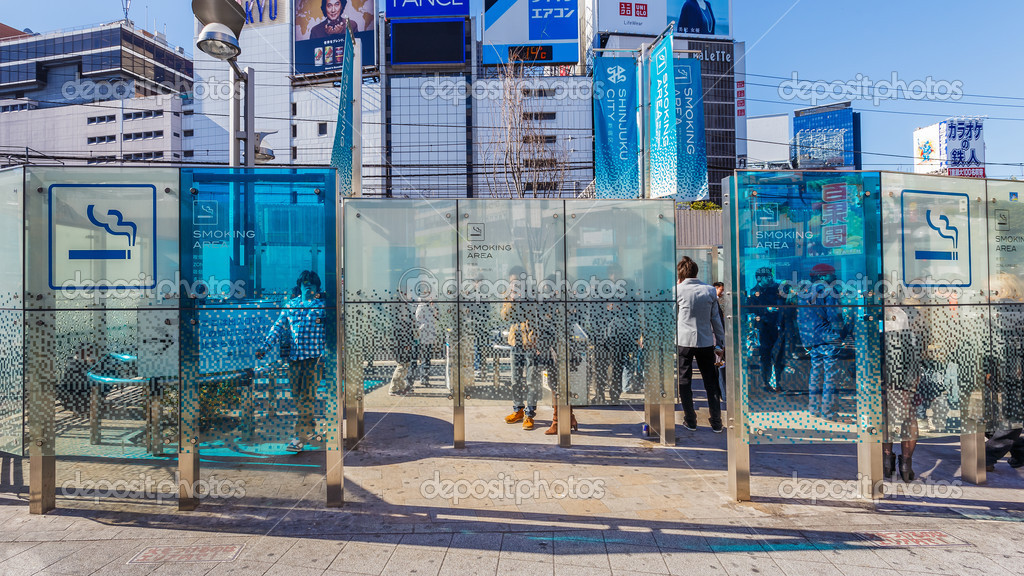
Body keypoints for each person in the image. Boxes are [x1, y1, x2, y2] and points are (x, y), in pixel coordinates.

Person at [257, 270, 326, 453]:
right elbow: (277, 327)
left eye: (311, 282)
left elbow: (332, 331)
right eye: (305, 282)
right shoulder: (291, 305)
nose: (308, 285)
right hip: (295, 359)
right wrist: (264, 347)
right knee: (296, 396)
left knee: (306, 397)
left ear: (317, 286)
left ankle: (299, 436)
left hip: (315, 360)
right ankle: (309, 428)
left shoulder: (323, 306)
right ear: (300, 285)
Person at [675, 257, 725, 432]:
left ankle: (690, 420)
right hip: (705, 341)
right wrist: (721, 341)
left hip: (683, 341)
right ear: (696, 272)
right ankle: (717, 422)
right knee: (710, 382)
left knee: (684, 381)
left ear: (680, 274)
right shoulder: (710, 290)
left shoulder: (677, 290)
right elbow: (715, 319)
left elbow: (673, 318)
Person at [796, 263, 846, 422]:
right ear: (823, 276)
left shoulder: (804, 291)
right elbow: (835, 317)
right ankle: (829, 413)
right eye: (832, 274)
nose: (835, 277)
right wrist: (839, 335)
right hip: (828, 337)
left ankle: (814, 409)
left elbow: (801, 318)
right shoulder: (830, 291)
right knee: (831, 375)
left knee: (816, 373)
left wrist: (805, 339)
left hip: (811, 338)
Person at [882, 303, 921, 481]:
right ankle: (906, 465)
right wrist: (912, 386)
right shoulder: (903, 319)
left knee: (884, 419)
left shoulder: (874, 315)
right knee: (909, 419)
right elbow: (914, 359)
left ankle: (886, 462)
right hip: (904, 378)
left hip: (882, 379)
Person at [502, 266, 542, 429]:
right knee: (515, 380)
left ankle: (529, 413)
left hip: (531, 342)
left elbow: (539, 315)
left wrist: (525, 299)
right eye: (512, 281)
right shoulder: (508, 294)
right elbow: (504, 316)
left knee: (531, 381)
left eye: (517, 281)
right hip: (515, 342)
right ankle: (517, 408)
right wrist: (512, 301)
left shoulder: (533, 294)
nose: (515, 284)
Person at [592, 264, 635, 404]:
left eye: (616, 272)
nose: (614, 275)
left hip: (620, 334)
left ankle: (615, 394)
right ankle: (600, 394)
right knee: (600, 367)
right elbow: (594, 310)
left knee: (617, 366)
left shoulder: (628, 288)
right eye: (611, 273)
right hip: (602, 334)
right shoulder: (602, 288)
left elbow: (633, 308)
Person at [747, 267, 785, 391]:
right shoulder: (753, 292)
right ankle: (766, 382)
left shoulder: (776, 289)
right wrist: (766, 310)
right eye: (766, 276)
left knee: (779, 356)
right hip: (763, 328)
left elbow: (784, 303)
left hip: (777, 326)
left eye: (770, 275)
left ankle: (777, 382)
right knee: (766, 357)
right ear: (758, 278)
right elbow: (750, 309)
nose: (770, 278)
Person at [388, 292, 416, 396]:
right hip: (400, 346)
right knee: (401, 366)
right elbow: (398, 334)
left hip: (405, 345)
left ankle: (401, 386)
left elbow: (410, 332)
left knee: (405, 366)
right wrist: (405, 344)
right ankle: (393, 388)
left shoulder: (406, 317)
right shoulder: (398, 319)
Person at [713, 281, 727, 401]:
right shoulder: (714, 301)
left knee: (720, 364)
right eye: (721, 289)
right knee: (718, 365)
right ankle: (721, 393)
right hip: (717, 338)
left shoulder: (722, 300)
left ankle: (722, 393)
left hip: (720, 336)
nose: (722, 292)